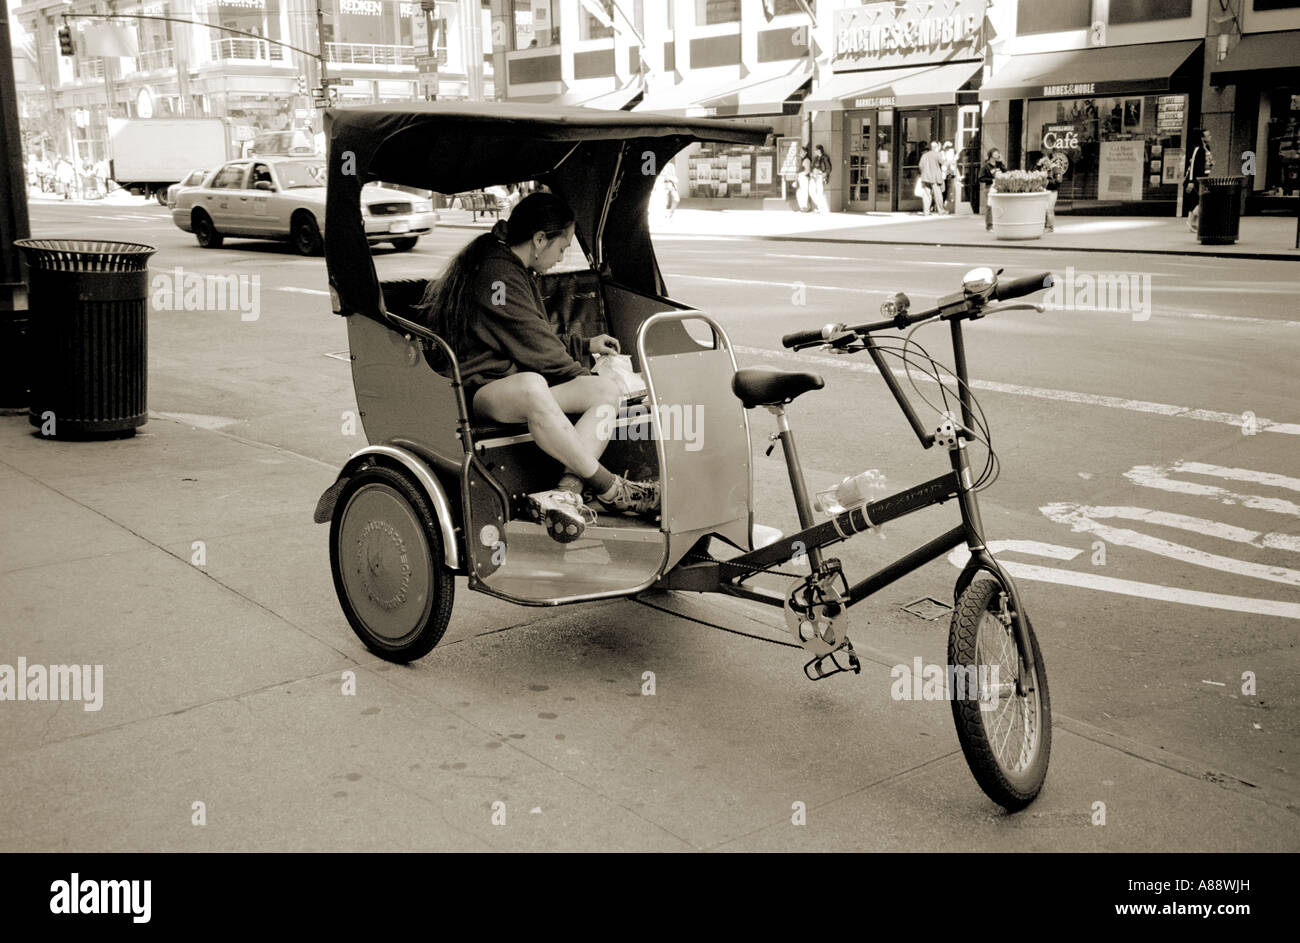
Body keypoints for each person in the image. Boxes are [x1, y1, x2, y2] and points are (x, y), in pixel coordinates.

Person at [417, 192, 659, 543]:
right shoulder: (496, 274)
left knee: (606, 390)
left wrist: (585, 349)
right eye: (561, 248)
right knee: (534, 385)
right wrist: (581, 370)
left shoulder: (514, 267)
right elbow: (536, 348)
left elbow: (531, 332)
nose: (562, 258)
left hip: (512, 380)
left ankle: (565, 494)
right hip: (481, 389)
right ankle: (612, 490)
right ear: (539, 239)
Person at [1184, 128, 1213, 232]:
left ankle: (1192, 221)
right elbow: (1192, 166)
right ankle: (1191, 221)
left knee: (1199, 201)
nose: (1210, 137)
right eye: (1208, 136)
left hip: (1204, 178)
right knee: (1201, 200)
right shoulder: (1198, 148)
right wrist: (1191, 181)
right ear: (1202, 138)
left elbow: (1205, 163)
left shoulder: (1207, 148)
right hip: (1197, 179)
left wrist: (1210, 164)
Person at [1035, 143, 1068, 232]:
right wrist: (1038, 165)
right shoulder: (1043, 169)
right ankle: (1044, 225)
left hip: (1052, 191)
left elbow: (1058, 181)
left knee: (1049, 209)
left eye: (1046, 160)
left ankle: (1050, 227)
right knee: (1043, 209)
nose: (1045, 162)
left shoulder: (1055, 168)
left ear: (1051, 160)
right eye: (1043, 161)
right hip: (1043, 191)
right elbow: (1035, 174)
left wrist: (1048, 182)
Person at [978, 147, 1007, 232]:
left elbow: (1006, 172)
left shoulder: (999, 164)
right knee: (990, 207)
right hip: (989, 187)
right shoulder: (986, 166)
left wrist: (1001, 162)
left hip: (999, 187)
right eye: (995, 153)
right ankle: (989, 226)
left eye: (998, 153)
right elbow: (981, 178)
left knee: (1000, 206)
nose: (997, 154)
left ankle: (999, 223)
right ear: (991, 155)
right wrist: (991, 180)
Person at [918, 141, 945, 216]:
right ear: (937, 147)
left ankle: (926, 212)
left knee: (926, 195)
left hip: (925, 178)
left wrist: (923, 173)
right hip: (935, 178)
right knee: (938, 194)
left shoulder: (924, 155)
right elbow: (943, 163)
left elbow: (920, 165)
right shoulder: (937, 154)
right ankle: (941, 211)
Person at [809, 144, 832, 214]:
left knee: (820, 193)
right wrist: (812, 172)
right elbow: (812, 167)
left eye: (816, 150)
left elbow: (828, 168)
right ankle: (820, 206)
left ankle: (821, 208)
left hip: (819, 176)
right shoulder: (815, 158)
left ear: (819, 150)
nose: (814, 151)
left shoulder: (825, 157)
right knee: (811, 192)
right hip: (814, 176)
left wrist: (823, 175)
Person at [941, 141, 958, 212]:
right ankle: (942, 206)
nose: (949, 149)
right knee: (944, 190)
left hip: (950, 173)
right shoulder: (942, 153)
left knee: (950, 189)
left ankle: (948, 206)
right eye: (947, 147)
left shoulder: (952, 153)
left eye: (950, 147)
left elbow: (952, 163)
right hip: (944, 173)